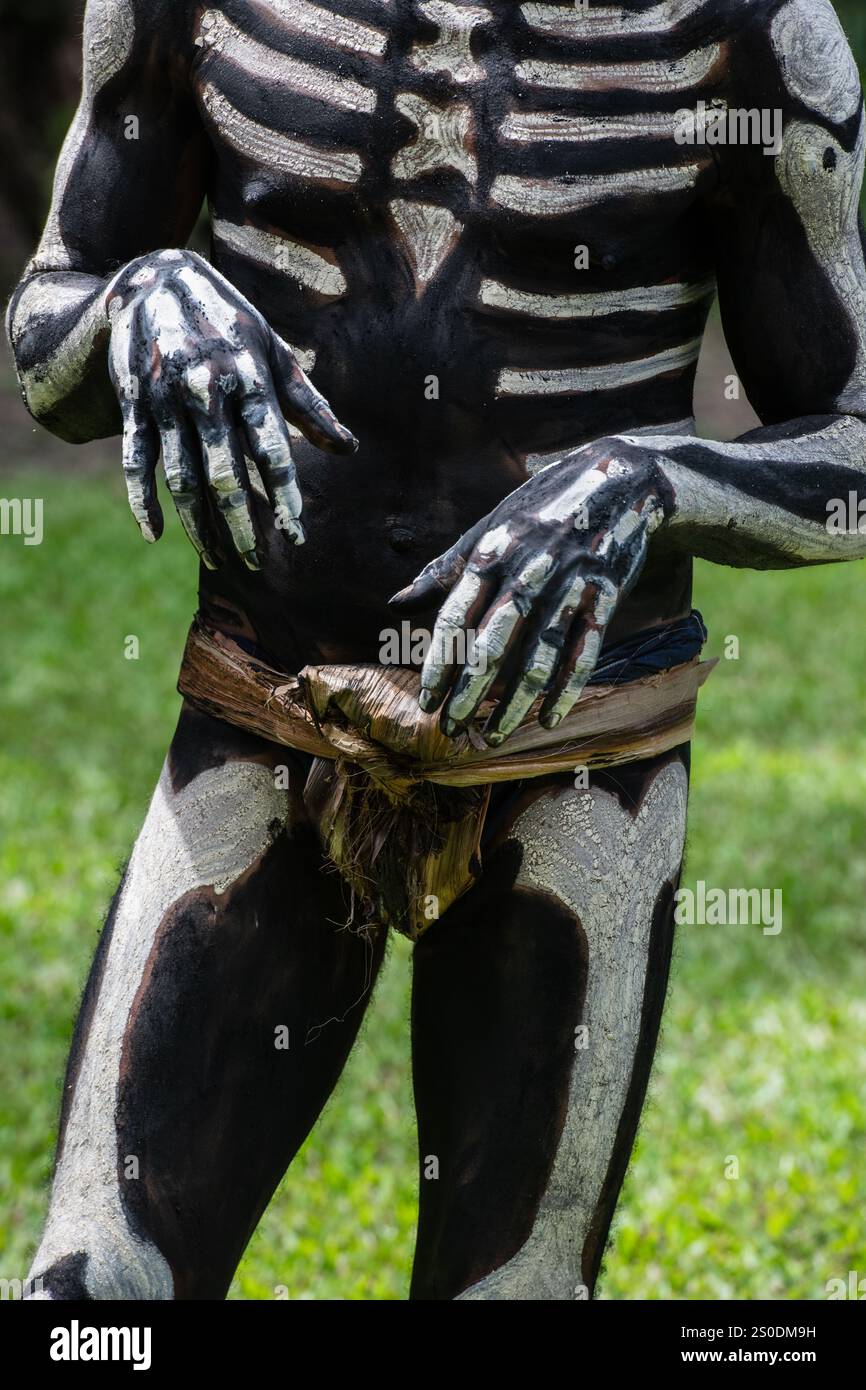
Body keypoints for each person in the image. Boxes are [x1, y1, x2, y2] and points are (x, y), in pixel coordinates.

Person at [7, 0, 866, 1300]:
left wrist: (649, 480)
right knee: (91, 1308)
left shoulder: (744, 34)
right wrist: (138, 299)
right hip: (265, 718)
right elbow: (49, 333)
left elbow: (853, 443)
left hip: (580, 760)